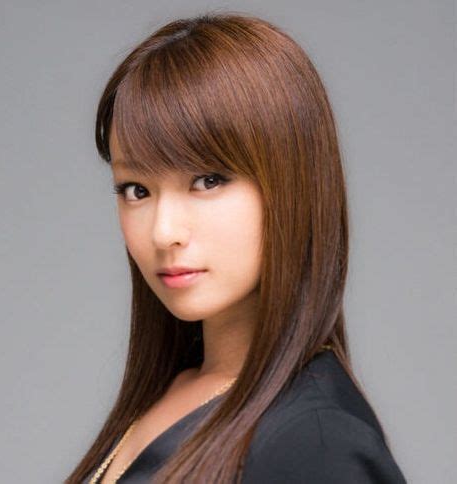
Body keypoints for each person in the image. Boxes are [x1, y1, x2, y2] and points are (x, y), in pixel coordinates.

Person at [65, 11, 407, 484]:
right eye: (136, 190)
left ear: (292, 186)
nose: (163, 232)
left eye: (207, 181)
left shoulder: (317, 442)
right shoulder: (175, 391)